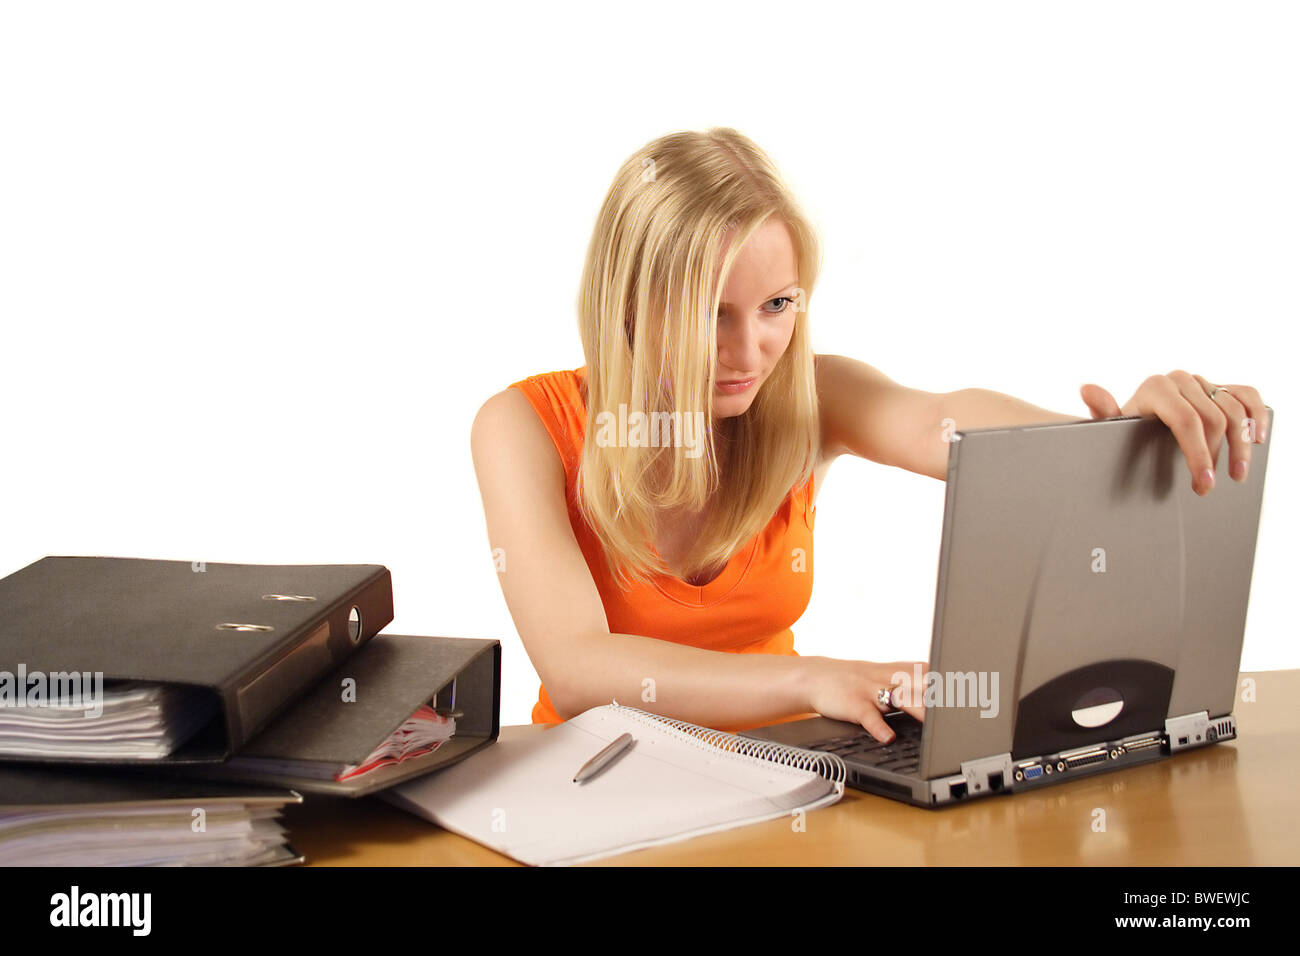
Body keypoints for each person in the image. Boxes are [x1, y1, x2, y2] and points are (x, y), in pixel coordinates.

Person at [470, 127, 1270, 743]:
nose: (750, 354)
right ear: (632, 303)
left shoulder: (807, 395)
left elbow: (939, 421)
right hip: (592, 793)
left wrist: (1128, 434)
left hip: (783, 780)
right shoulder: (523, 427)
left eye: (777, 306)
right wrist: (821, 681)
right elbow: (578, 671)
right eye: (713, 313)